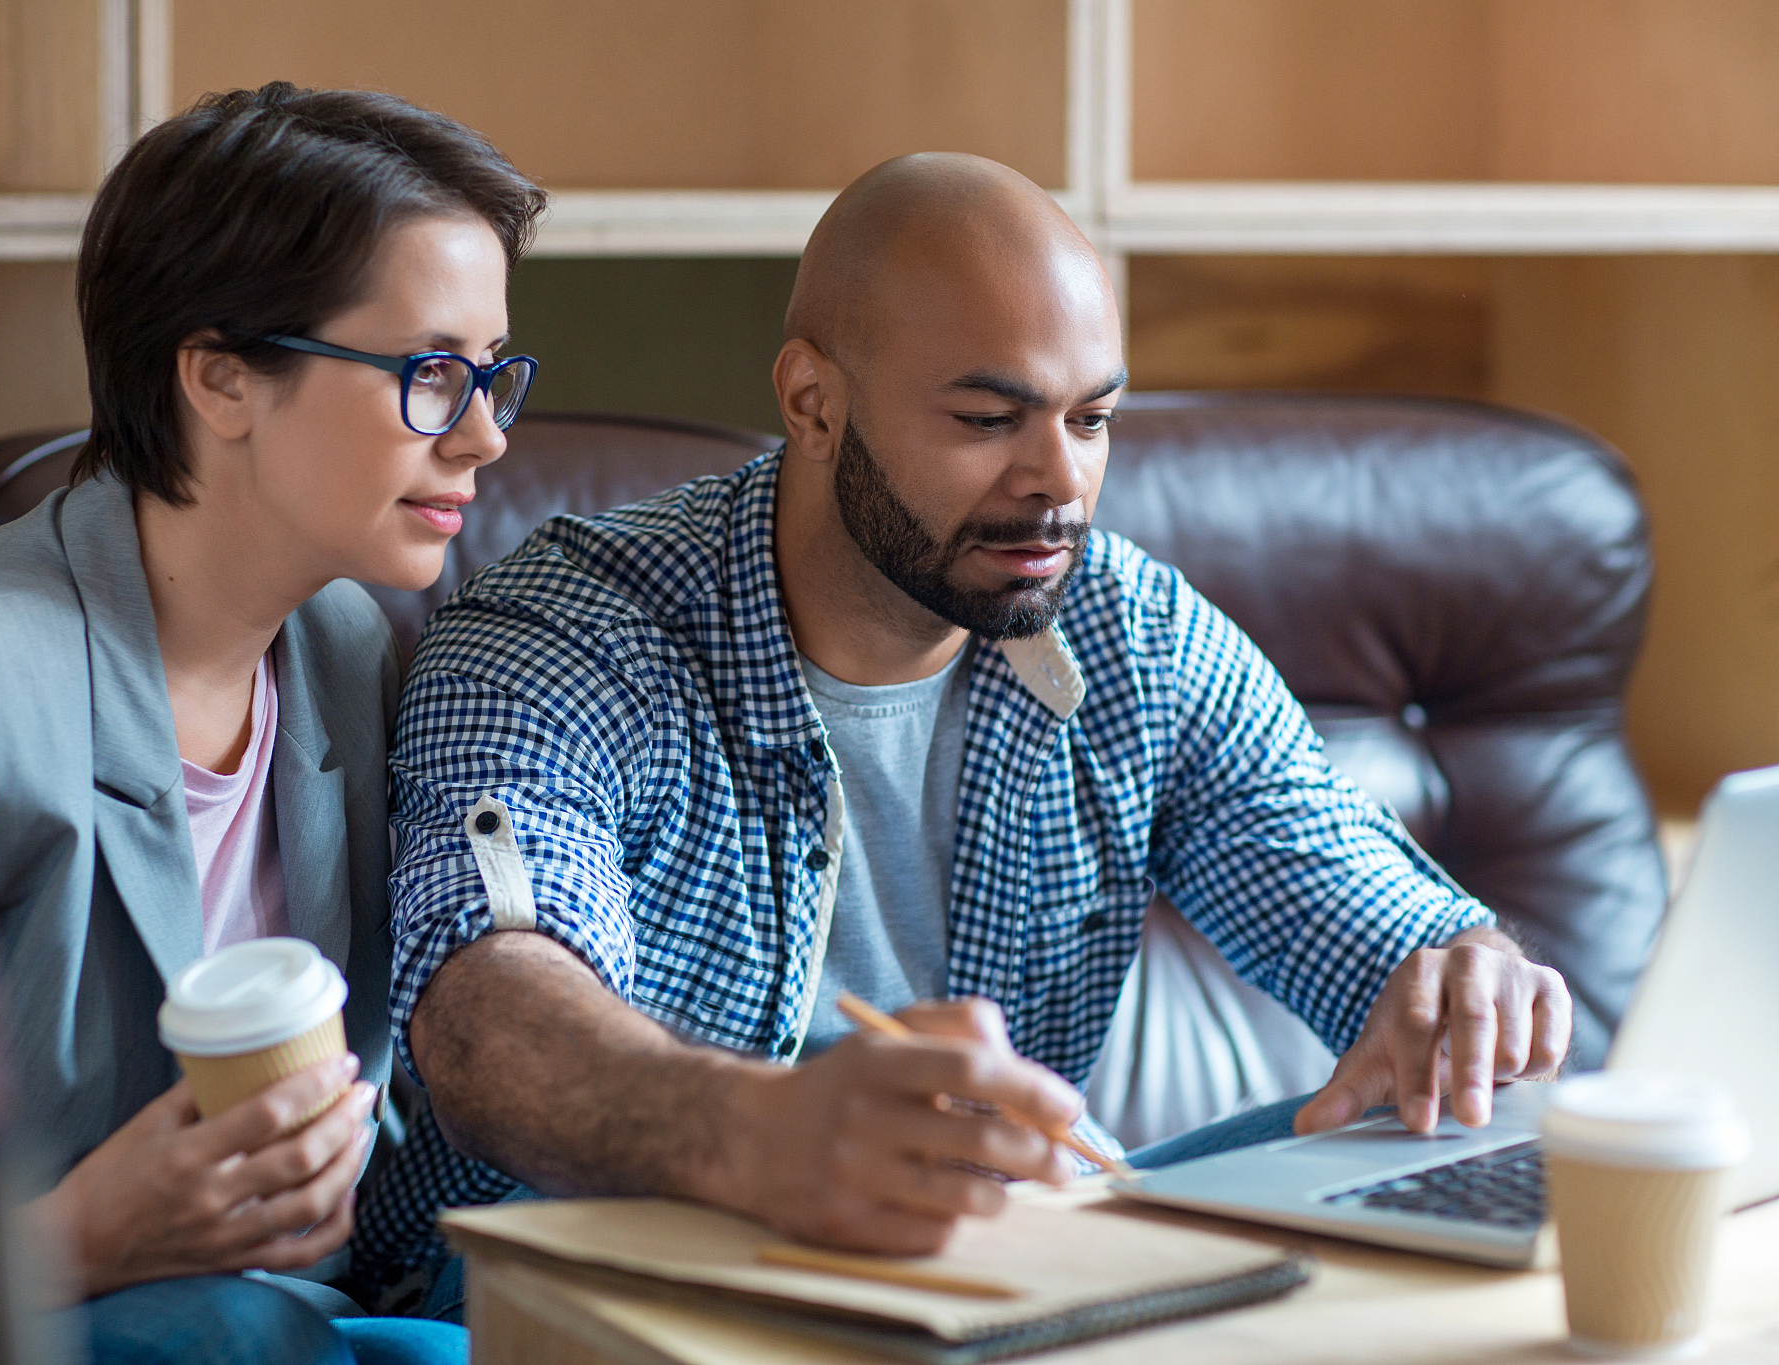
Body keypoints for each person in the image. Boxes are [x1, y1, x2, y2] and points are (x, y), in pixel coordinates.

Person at [352, 152, 1572, 1302]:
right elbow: (485, 1011)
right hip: (589, 1259)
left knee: (1474, 1136)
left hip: (988, 1255)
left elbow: (1363, 908)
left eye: (1089, 420)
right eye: (989, 420)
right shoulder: (568, 635)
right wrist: (764, 1138)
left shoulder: (1133, 639)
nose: (1058, 483)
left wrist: (1463, 978)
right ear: (812, 400)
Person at [0, 83, 544, 1365]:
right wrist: (87, 1233)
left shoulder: (344, 646)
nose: (486, 436)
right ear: (221, 378)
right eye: (432, 376)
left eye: (495, 375)